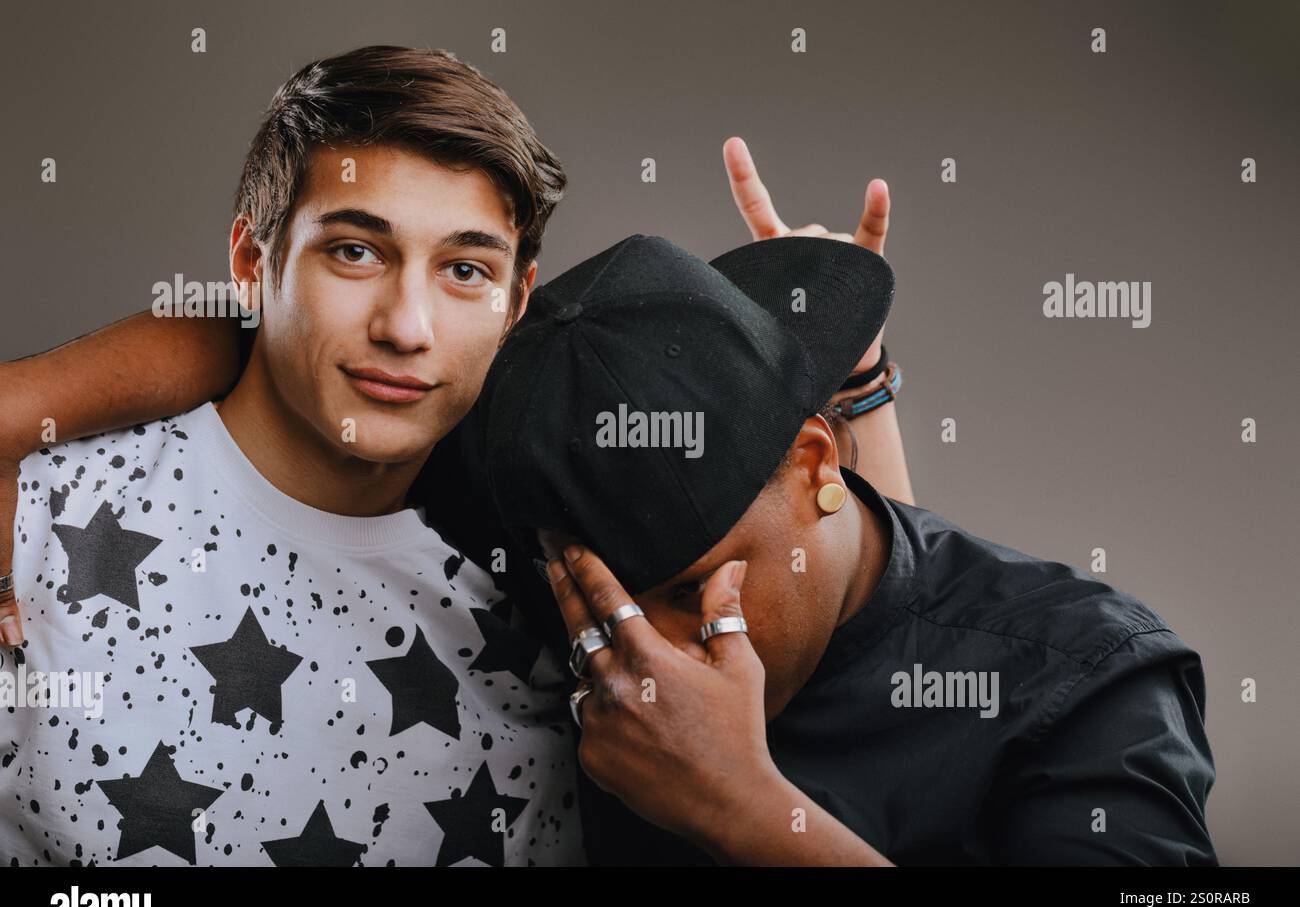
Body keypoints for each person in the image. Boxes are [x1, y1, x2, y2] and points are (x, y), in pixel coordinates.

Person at [0, 46, 913, 865]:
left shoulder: (561, 548)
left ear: (518, 303)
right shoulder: (38, 522)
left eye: (465, 270)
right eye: (355, 252)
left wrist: (835, 377)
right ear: (251, 259)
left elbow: (853, 656)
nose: (407, 327)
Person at [477, 232, 1219, 866]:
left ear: (814, 465)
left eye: (688, 592)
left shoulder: (1083, 679)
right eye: (606, 612)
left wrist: (742, 806)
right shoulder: (535, 588)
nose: (655, 665)